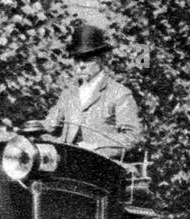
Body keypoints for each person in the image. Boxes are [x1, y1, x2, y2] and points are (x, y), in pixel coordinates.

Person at [40, 24, 144, 159]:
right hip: (67, 164)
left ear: (101, 59)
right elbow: (49, 126)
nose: (81, 65)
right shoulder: (69, 94)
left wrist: (96, 146)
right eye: (77, 59)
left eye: (88, 59)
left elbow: (132, 136)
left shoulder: (119, 94)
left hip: (100, 166)